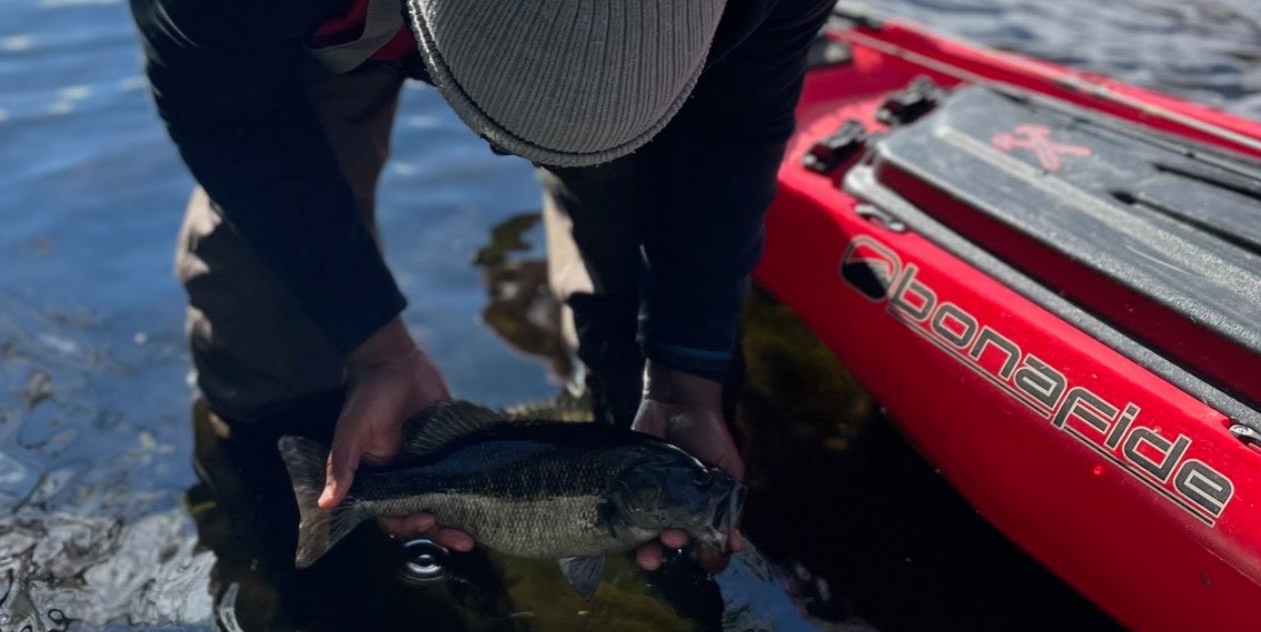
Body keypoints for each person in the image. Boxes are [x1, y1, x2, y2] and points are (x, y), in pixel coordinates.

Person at [127, 0, 836, 571]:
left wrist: (689, 371)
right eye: (503, 122)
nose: (501, 150)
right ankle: (280, 521)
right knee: (271, 329)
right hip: (304, 24)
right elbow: (225, 114)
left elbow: (736, 130)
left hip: (663, 63)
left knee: (645, 284)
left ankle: (618, 364)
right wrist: (376, 348)